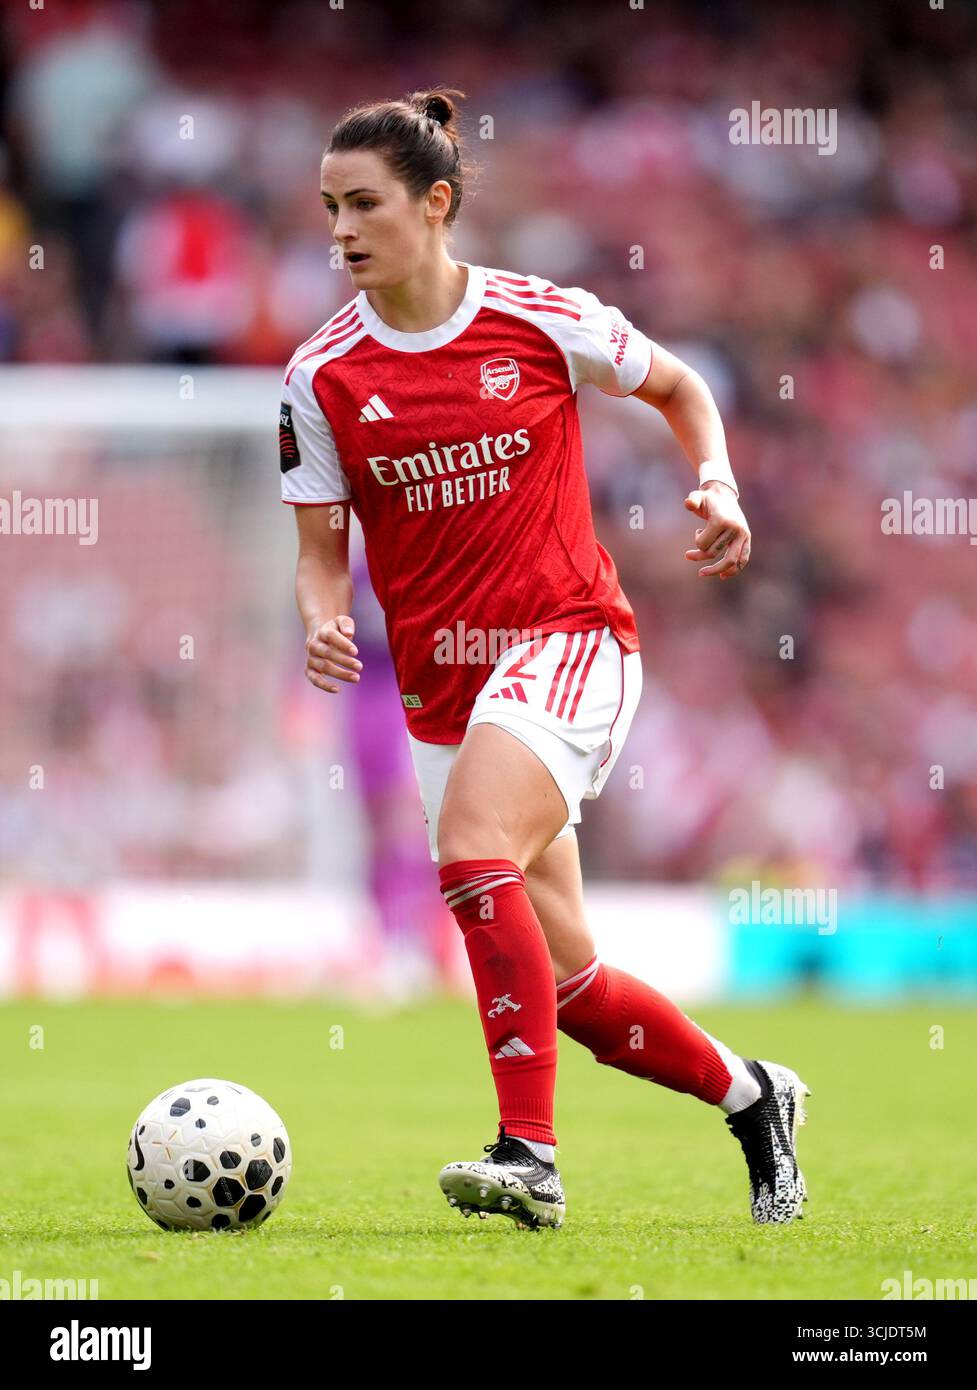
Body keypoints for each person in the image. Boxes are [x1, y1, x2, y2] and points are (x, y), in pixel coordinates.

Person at [280, 87, 810, 1229]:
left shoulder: (535, 316)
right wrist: (322, 614)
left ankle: (528, 1153)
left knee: (471, 848)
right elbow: (319, 552)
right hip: (441, 690)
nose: (340, 231)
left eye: (362, 204)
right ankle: (752, 1093)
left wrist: (714, 480)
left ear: (434, 205)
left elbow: (677, 384)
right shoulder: (319, 377)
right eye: (327, 208)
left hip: (567, 641)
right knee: (567, 986)